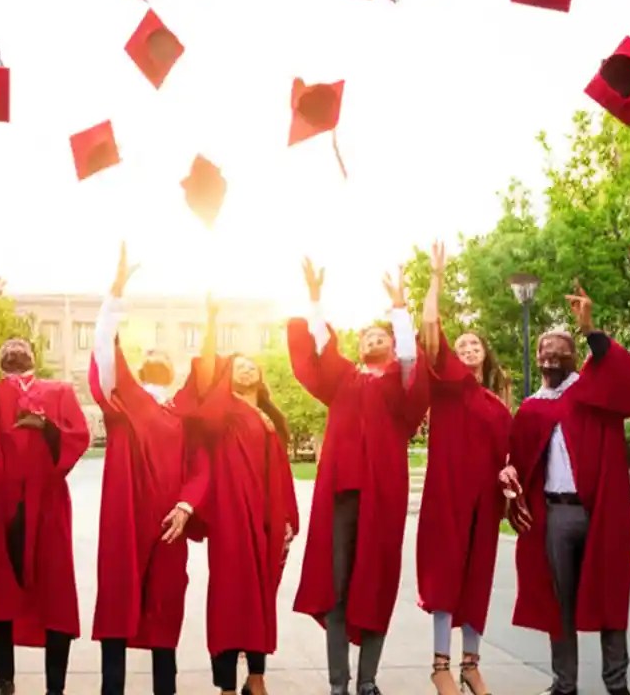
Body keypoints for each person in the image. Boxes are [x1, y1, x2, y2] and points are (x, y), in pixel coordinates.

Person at [499, 283, 630, 695]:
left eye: (561, 349)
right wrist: (509, 481)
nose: (551, 355)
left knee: (608, 596)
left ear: (574, 356)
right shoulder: (530, 409)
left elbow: (627, 382)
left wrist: (590, 330)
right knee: (557, 603)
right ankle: (564, 684)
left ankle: (616, 683)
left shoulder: (591, 393)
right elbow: (516, 464)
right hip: (555, 514)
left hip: (600, 511)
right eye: (545, 349)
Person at [287, 258, 427, 695]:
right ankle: (339, 684)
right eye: (366, 335)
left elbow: (411, 357)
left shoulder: (399, 384)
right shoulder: (344, 379)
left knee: (376, 585)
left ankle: (367, 681)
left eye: (380, 335)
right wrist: (314, 298)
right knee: (336, 589)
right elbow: (320, 346)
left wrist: (400, 308)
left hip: (381, 499)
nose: (372, 339)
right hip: (340, 498)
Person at [0, 278, 90, 695]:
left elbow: (77, 436)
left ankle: (55, 688)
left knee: (56, 595)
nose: (13, 347)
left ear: (33, 357)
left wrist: (47, 428)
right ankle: (3, 681)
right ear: (1, 359)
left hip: (45, 506)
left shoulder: (58, 391)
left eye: (20, 345)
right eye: (5, 346)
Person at [89, 243, 209, 695]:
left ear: (173, 369)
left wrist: (185, 505)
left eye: (165, 353)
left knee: (165, 609)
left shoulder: (183, 413)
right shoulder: (126, 403)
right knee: (118, 605)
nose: (157, 356)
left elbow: (201, 468)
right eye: (150, 354)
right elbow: (104, 350)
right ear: (140, 369)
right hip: (125, 518)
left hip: (169, 523)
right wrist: (115, 295)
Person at [174, 294, 299, 695]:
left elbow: (282, 474)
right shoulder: (222, 410)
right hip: (231, 517)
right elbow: (206, 374)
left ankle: (257, 678)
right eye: (238, 365)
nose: (245, 369)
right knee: (229, 598)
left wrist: (286, 520)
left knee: (261, 598)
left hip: (266, 516)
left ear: (260, 377)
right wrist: (210, 322)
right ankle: (228, 685)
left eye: (252, 366)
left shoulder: (269, 419)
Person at [416, 242, 513, 695]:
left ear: (485, 354)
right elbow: (431, 329)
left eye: (475, 343)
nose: (467, 347)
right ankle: (439, 664)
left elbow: (508, 459)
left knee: (478, 578)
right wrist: (436, 277)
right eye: (462, 344)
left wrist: (509, 480)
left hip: (485, 503)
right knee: (444, 573)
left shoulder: (498, 407)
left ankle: (470, 665)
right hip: (447, 495)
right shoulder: (448, 383)